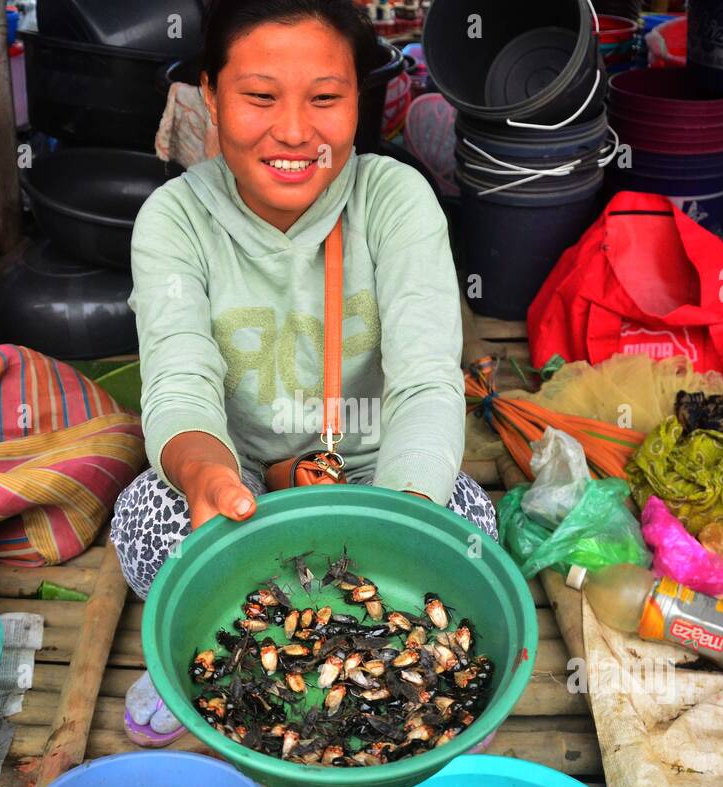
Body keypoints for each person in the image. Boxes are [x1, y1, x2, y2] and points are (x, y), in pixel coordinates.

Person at [110, 0, 497, 600]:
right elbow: (178, 381)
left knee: (468, 520)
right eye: (261, 97)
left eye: (324, 99)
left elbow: (425, 384)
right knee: (148, 518)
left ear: (358, 100)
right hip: (241, 482)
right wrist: (207, 477)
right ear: (210, 95)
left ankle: (304, 607)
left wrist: (401, 514)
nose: (293, 132)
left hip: (375, 476)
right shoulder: (175, 217)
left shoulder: (394, 198)